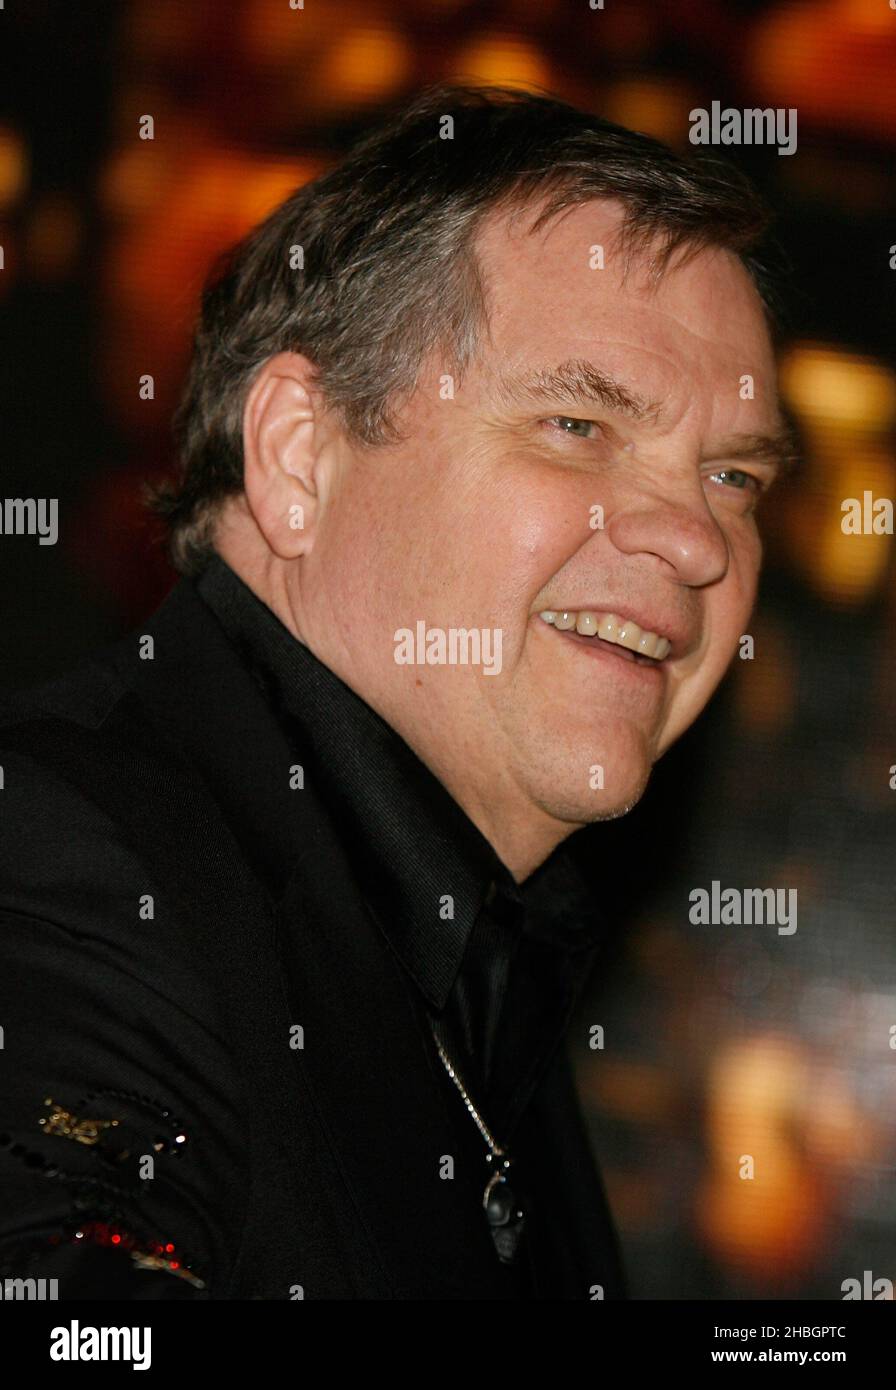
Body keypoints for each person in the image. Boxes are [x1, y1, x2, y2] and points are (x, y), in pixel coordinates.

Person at [0, 84, 794, 1299]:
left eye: (733, 477)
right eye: (576, 423)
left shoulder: (481, 966)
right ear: (297, 456)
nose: (696, 539)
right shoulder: (61, 866)